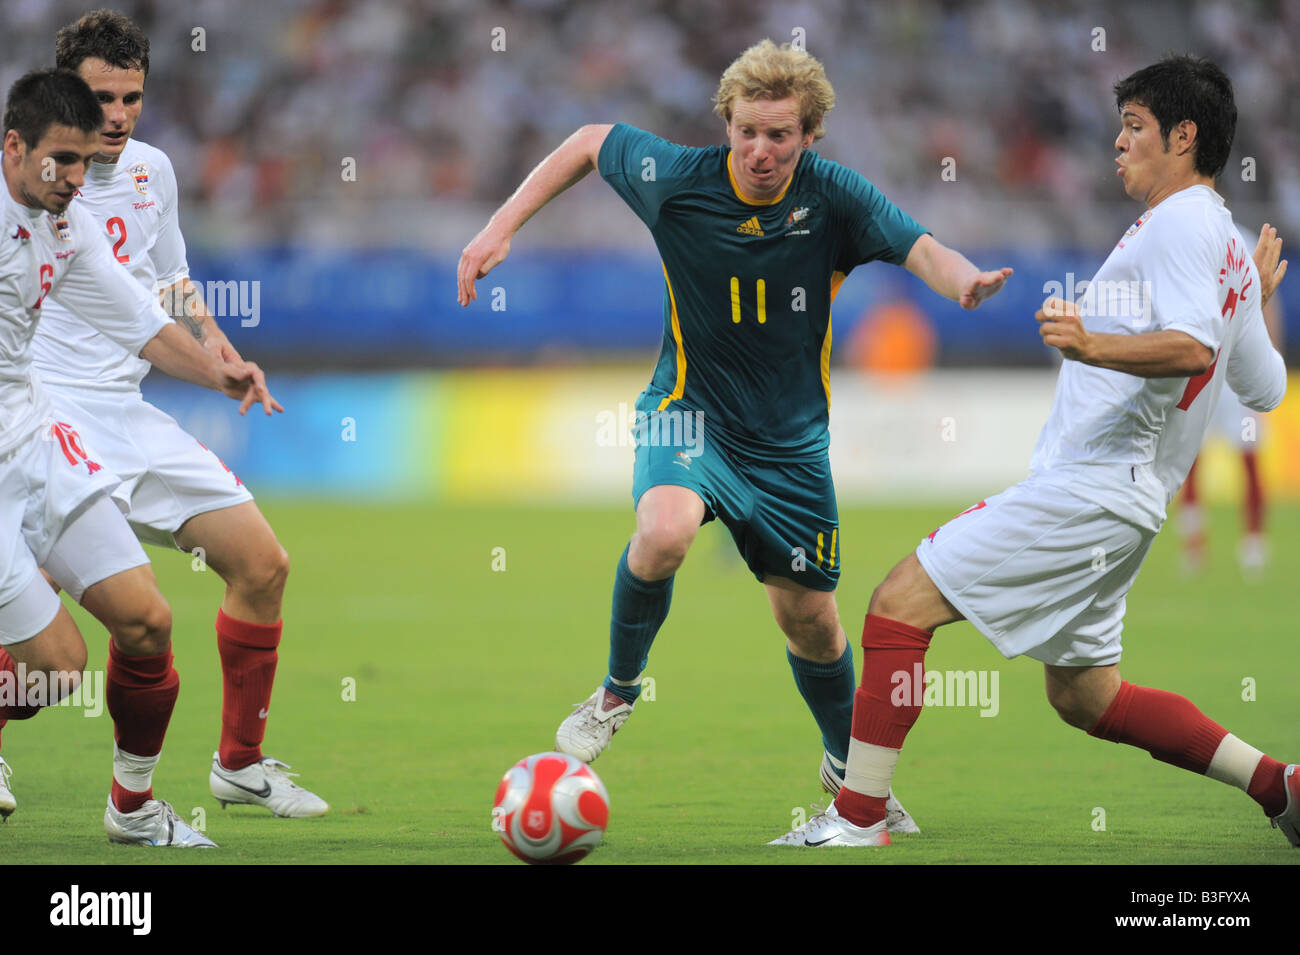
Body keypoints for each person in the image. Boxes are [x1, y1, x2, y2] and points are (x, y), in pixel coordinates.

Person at [457, 39, 1011, 821]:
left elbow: (920, 245)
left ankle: (851, 772)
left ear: (809, 137)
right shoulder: (678, 181)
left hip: (787, 448)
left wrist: (965, 283)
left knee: (812, 621)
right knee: (664, 532)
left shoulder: (834, 197)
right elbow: (588, 142)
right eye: (746, 130)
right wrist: (498, 228)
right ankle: (616, 692)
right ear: (727, 123)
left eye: (779, 135)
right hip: (687, 411)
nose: (759, 149)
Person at [772, 54, 1296, 848]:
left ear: (1183, 137)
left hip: (1092, 489)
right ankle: (1278, 785)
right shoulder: (1222, 241)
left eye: (1134, 128)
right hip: (1130, 502)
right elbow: (1263, 390)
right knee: (1087, 697)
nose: (1117, 144)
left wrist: (1091, 344)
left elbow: (1193, 351)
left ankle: (858, 817)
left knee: (898, 601)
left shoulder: (1185, 224)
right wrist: (1251, 300)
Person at [0, 11, 329, 822]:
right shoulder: (40, 187)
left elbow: (165, 288)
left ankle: (235, 765)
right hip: (51, 410)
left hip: (125, 409)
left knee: (261, 564)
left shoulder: (144, 175)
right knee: (53, 645)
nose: (115, 116)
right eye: (97, 98)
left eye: (130, 99)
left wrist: (218, 353)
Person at [1178, 232, 1285, 577]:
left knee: (1248, 455)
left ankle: (1253, 544)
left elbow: (1267, 304)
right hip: (1201, 366)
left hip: (1236, 372)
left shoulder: (1244, 240)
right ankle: (1194, 544)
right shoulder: (1189, 238)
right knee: (1190, 459)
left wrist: (1267, 359)